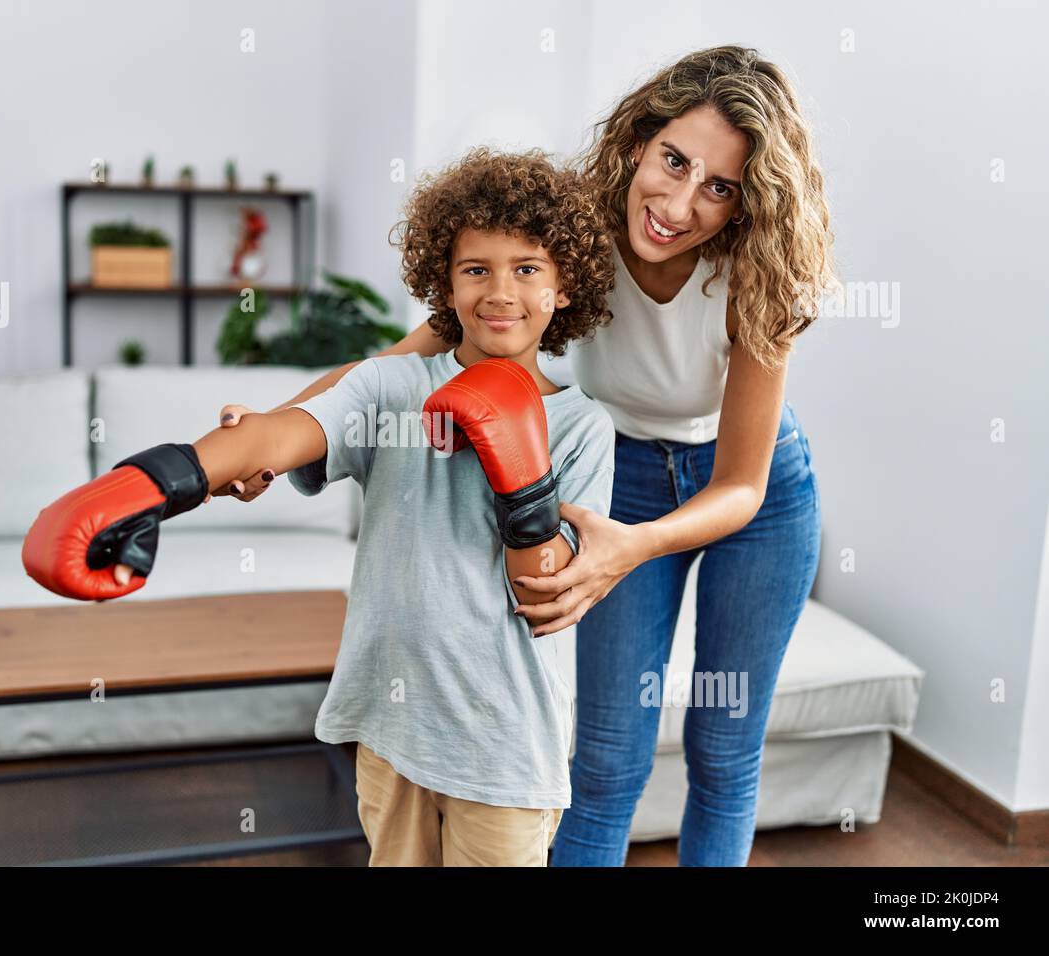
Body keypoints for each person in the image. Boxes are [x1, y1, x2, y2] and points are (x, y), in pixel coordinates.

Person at [217, 46, 833, 867]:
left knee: (725, 746)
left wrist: (636, 547)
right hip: (621, 476)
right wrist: (274, 426)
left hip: (750, 492)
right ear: (641, 141)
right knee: (608, 755)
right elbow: (398, 366)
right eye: (673, 161)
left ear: (749, 198)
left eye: (719, 186)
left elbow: (743, 483)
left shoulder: (762, 274)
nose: (680, 204)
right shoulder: (565, 238)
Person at [22, 147, 619, 866]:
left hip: (507, 741)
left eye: (527, 269)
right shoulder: (389, 387)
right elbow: (278, 434)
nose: (500, 290)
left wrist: (523, 476)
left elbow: (548, 588)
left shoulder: (584, 426)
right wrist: (151, 486)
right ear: (446, 285)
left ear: (563, 289)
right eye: (475, 269)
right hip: (391, 724)